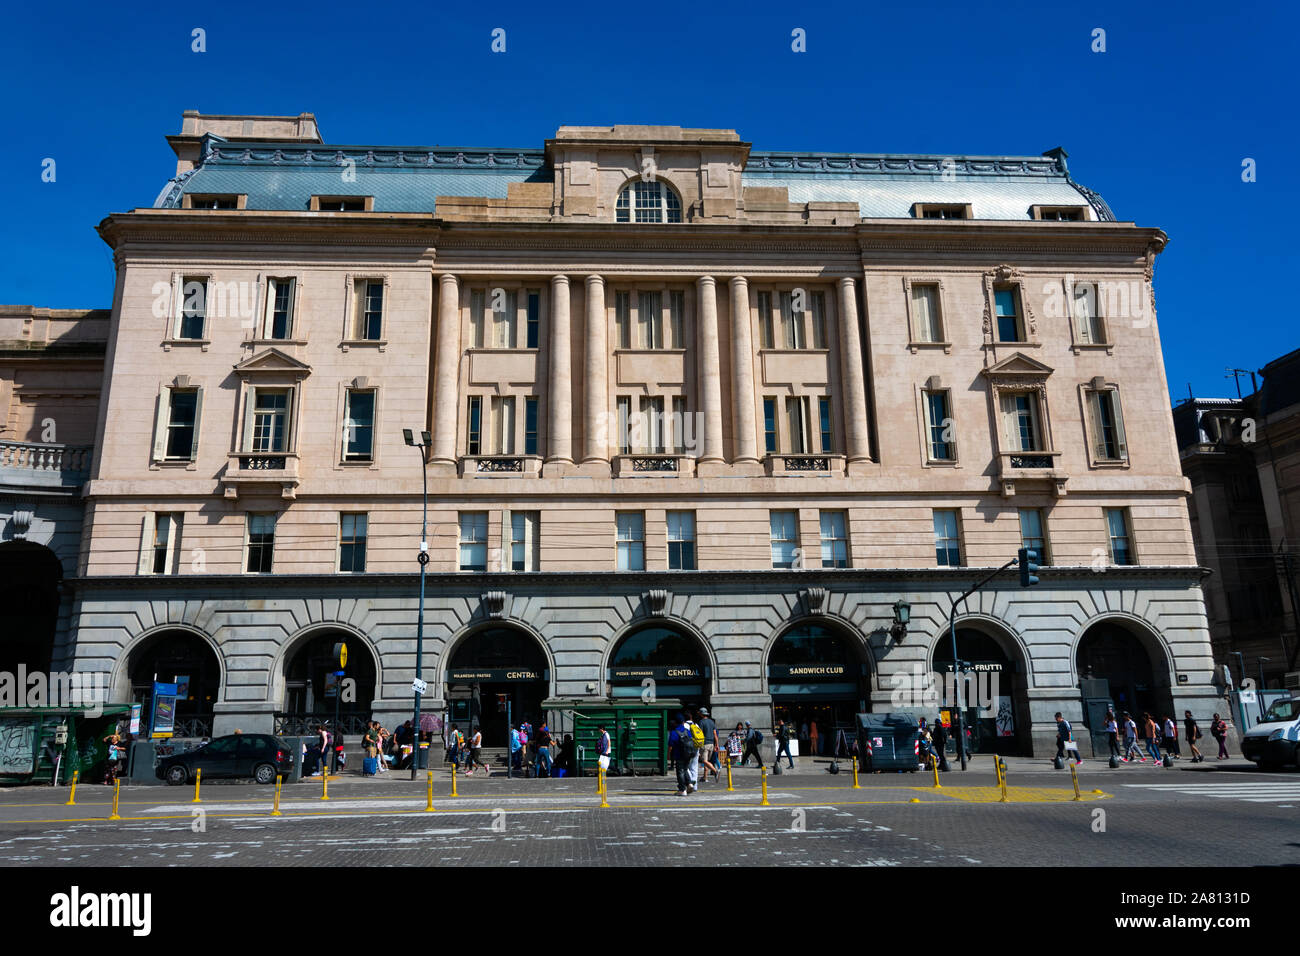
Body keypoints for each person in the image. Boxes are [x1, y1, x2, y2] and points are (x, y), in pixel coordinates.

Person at [697, 708, 719, 780]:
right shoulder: (711, 722)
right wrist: (717, 744)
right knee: (707, 761)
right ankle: (705, 777)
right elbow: (715, 734)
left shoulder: (701, 722)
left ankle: (715, 771)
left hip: (704, 744)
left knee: (704, 761)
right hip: (711, 744)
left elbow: (699, 734)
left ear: (701, 714)